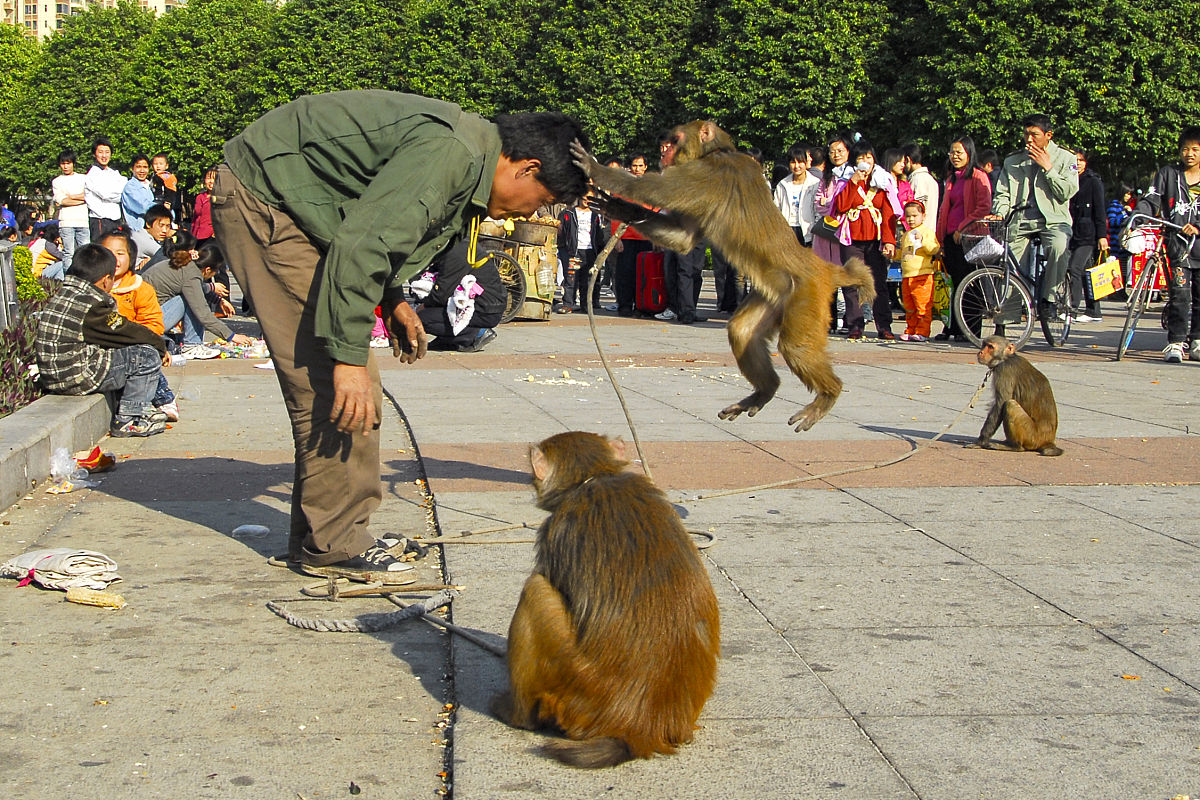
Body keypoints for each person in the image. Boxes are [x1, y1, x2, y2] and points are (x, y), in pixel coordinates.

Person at [210, 90, 588, 581]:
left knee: (341, 382)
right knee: (337, 383)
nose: (526, 216)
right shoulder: (451, 153)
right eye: (543, 202)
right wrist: (346, 357)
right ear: (525, 168)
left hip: (297, 205)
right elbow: (363, 242)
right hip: (264, 201)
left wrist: (393, 298)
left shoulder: (466, 155)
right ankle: (337, 543)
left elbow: (374, 224)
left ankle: (327, 534)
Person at [33, 243, 169, 438]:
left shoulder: (65, 293)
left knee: (132, 352)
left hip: (53, 376)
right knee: (145, 356)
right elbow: (125, 330)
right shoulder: (92, 304)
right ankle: (130, 418)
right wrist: (159, 344)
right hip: (76, 377)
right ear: (106, 281)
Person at [991, 113, 1079, 315]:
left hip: (1053, 221)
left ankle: (1049, 299)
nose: (1029, 139)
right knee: (1009, 263)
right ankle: (1005, 320)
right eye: (1026, 134)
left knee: (1058, 246)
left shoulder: (1066, 158)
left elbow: (1067, 191)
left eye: (1034, 135)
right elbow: (1002, 193)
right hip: (1020, 221)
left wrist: (1048, 168)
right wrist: (1000, 213)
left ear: (1048, 135)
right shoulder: (1013, 160)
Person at [1134, 126, 1200, 363]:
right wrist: (1138, 217)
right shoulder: (1168, 174)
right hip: (1178, 245)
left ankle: (1197, 340)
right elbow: (1151, 200)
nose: (1189, 154)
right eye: (1185, 149)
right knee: (1180, 294)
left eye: (1195, 149)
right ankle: (1176, 341)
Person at [97, 227, 178, 421]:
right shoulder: (93, 285)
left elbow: (153, 324)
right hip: (103, 347)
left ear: (131, 258)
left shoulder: (139, 288)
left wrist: (142, 340)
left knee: (146, 353)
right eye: (109, 253)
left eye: (120, 253)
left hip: (134, 341)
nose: (115, 259)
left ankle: (163, 399)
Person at [142, 239, 254, 359]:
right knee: (191, 302)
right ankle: (192, 345)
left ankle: (187, 342)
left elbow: (198, 289)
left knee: (192, 297)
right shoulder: (191, 275)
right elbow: (203, 314)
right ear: (207, 270)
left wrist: (218, 300)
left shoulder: (188, 266)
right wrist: (232, 336)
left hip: (150, 315)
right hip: (149, 321)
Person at [833, 144, 898, 339]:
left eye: (869, 158)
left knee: (878, 282)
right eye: (861, 158)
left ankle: (883, 325)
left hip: (875, 237)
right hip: (851, 237)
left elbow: (888, 212)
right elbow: (841, 206)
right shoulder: (845, 180)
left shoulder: (883, 180)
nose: (865, 162)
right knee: (851, 282)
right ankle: (855, 324)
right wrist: (853, 182)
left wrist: (889, 240)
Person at [935, 135, 994, 340]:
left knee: (970, 285)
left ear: (969, 153)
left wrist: (962, 227)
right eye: (952, 152)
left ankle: (970, 329)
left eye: (959, 152)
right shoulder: (951, 178)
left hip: (971, 237)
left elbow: (983, 208)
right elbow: (945, 210)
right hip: (952, 238)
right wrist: (941, 238)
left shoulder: (978, 176)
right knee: (953, 284)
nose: (955, 156)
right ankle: (952, 327)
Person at [417, 238, 505, 351]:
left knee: (421, 319)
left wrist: (423, 306)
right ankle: (447, 339)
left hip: (485, 309)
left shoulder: (456, 251)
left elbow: (441, 294)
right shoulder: (457, 244)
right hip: (485, 304)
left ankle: (476, 334)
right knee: (423, 312)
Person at [1066, 149, 1108, 322]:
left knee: (1074, 268)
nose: (1078, 163)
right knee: (1087, 272)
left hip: (1089, 234)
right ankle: (1094, 310)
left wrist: (1102, 236)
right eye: (1075, 160)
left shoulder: (1093, 181)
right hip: (1073, 233)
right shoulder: (1068, 179)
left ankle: (1073, 308)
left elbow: (1100, 210)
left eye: (1081, 160)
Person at [611, 152, 653, 316]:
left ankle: (641, 305)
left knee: (644, 274)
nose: (637, 169)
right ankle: (625, 305)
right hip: (627, 237)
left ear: (645, 167)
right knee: (625, 273)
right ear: (629, 168)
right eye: (634, 165)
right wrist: (617, 237)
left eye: (640, 166)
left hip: (645, 237)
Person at [557, 192, 609, 312]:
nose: (586, 200)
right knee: (570, 278)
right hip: (574, 251)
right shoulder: (569, 213)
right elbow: (562, 230)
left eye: (590, 198)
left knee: (587, 280)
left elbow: (599, 234)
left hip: (590, 251)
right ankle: (568, 304)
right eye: (585, 197)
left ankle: (586, 305)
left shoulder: (595, 215)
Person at [897, 201, 940, 341]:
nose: (911, 219)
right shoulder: (906, 235)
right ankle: (910, 329)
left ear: (923, 216)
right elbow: (904, 253)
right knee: (909, 307)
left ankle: (922, 332)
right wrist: (892, 254)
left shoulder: (927, 232)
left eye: (915, 215)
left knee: (922, 306)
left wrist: (922, 241)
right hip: (907, 276)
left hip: (923, 275)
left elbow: (934, 249)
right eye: (908, 216)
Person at [774, 144, 820, 244]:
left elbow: (818, 211)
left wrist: (815, 232)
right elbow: (776, 209)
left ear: (805, 163)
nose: (797, 166)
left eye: (800, 162)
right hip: (787, 231)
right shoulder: (782, 185)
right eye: (793, 162)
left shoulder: (815, 183)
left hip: (807, 231)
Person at [51, 149, 89, 270]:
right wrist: (80, 199)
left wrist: (71, 196)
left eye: (68, 163)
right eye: (63, 163)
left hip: (83, 221)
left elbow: (88, 196)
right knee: (69, 253)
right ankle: (68, 279)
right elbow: (62, 201)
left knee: (86, 252)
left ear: (73, 163)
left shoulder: (84, 178)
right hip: (66, 222)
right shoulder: (57, 181)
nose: (66, 166)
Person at [84, 136, 126, 241]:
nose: (104, 156)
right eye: (101, 152)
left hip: (116, 219)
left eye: (107, 152)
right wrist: (119, 194)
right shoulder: (92, 174)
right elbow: (106, 194)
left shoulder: (114, 173)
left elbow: (124, 190)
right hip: (100, 220)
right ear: (94, 154)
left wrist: (119, 194)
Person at [904, 143, 940, 226]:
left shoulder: (918, 179)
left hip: (919, 234)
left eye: (903, 162)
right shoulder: (930, 179)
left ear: (908, 160)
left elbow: (915, 210)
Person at [131, 204, 174, 268]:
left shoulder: (153, 237)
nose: (164, 230)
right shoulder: (142, 238)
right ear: (148, 224)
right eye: (161, 225)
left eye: (167, 226)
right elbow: (167, 256)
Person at [121, 154, 156, 232]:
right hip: (138, 232)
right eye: (138, 167)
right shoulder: (130, 187)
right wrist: (162, 207)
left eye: (145, 167)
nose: (142, 171)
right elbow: (143, 207)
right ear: (132, 169)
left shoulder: (151, 186)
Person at [191, 165, 217, 245]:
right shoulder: (200, 197)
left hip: (212, 236)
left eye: (215, 179)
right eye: (209, 178)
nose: (211, 181)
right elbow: (196, 216)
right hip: (198, 235)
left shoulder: (221, 198)